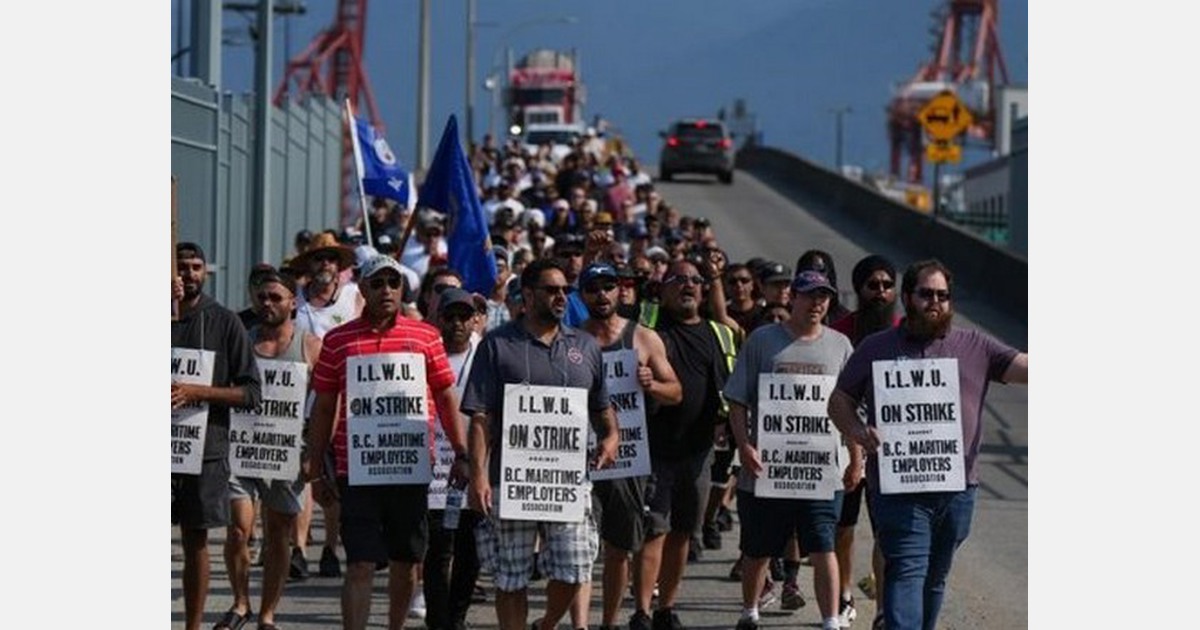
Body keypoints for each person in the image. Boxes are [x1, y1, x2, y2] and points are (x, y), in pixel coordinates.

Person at [827, 259, 1028, 630]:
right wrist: (857, 431)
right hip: (899, 488)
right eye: (926, 294)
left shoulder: (975, 346)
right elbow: (838, 400)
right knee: (906, 568)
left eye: (943, 296)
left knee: (935, 577)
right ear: (907, 298)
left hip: (957, 490)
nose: (935, 302)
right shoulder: (876, 348)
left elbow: (1027, 368)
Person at [303, 255, 471, 630]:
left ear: (402, 289)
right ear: (361, 290)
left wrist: (461, 451)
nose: (386, 291)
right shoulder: (338, 340)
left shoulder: (425, 335)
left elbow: (446, 395)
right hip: (357, 469)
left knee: (407, 560)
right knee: (360, 562)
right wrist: (314, 461)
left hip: (410, 467)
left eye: (393, 283)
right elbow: (325, 405)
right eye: (377, 284)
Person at [461, 258, 620, 630]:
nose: (561, 296)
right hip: (510, 480)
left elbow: (602, 407)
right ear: (528, 295)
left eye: (565, 289)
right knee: (511, 576)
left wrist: (612, 437)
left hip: (567, 481)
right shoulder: (497, 345)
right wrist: (478, 477)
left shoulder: (585, 345)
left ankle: (546, 623)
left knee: (575, 567)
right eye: (551, 290)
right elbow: (480, 417)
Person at [723, 271, 854, 630]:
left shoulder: (841, 345)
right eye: (810, 295)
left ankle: (830, 619)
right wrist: (745, 445)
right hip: (767, 470)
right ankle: (749, 611)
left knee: (823, 544)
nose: (817, 303)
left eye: (824, 296)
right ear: (792, 297)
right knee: (758, 548)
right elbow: (737, 400)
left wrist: (856, 458)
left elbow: (852, 407)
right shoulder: (763, 341)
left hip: (821, 471)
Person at [631, 259, 739, 630]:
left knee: (683, 532)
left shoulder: (717, 333)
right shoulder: (650, 331)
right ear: (662, 291)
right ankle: (643, 610)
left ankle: (666, 608)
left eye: (695, 280)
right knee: (653, 531)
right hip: (656, 451)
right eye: (678, 280)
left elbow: (730, 383)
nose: (688, 286)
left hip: (699, 452)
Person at [576, 262, 683, 630]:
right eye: (593, 288)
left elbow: (676, 392)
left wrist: (652, 384)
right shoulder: (572, 339)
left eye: (608, 287)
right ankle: (580, 623)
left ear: (620, 291)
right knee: (581, 549)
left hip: (629, 457)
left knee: (619, 548)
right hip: (583, 455)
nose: (601, 295)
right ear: (583, 295)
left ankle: (608, 622)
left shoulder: (643, 337)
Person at [219, 268, 322, 630]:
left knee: (278, 533)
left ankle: (267, 614)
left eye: (276, 297)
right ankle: (240, 602)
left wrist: (316, 450)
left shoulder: (310, 345)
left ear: (293, 303)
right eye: (262, 297)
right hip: (241, 450)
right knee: (238, 529)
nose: (267, 303)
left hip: (286, 452)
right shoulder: (241, 341)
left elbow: (326, 400)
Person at [171, 242, 262, 630]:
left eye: (196, 266)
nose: (189, 274)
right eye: (182, 267)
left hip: (203, 450)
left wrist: (198, 392)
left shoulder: (224, 321)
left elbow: (251, 393)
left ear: (206, 272)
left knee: (195, 540)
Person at [828, 254, 901, 628]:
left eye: (888, 285)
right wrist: (854, 454)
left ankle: (884, 610)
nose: (881, 292)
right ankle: (843, 594)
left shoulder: (905, 331)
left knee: (886, 533)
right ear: (858, 290)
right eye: (873, 285)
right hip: (844, 446)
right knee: (844, 527)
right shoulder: (840, 332)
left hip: (892, 452)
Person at [289, 231, 364, 580]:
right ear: (309, 264)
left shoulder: (353, 297)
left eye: (332, 259)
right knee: (304, 476)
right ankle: (298, 549)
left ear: (339, 266)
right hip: (301, 401)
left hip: (341, 402)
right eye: (319, 258)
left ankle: (331, 548)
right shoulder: (294, 300)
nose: (326, 265)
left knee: (332, 482)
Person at [423, 288, 487, 630]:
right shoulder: (425, 355)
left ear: (476, 319)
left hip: (475, 467)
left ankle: (457, 617)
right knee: (437, 551)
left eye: (465, 316)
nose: (458, 323)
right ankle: (439, 622)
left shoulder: (486, 355)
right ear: (439, 320)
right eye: (451, 317)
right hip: (436, 469)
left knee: (470, 551)